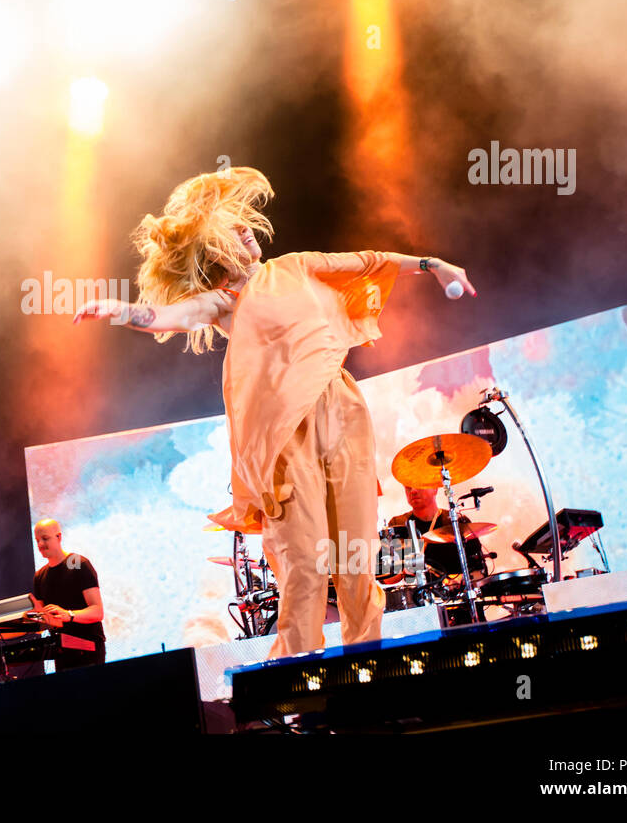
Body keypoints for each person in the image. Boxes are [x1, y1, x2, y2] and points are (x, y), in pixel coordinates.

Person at [73, 167, 475, 658]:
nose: (246, 230)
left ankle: (367, 671)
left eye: (247, 225)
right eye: (232, 229)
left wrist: (436, 265)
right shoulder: (222, 302)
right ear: (218, 250)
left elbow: (373, 260)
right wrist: (117, 309)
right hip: (283, 437)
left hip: (339, 408)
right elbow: (166, 317)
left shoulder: (298, 266)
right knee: (303, 564)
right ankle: (300, 678)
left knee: (356, 561)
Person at [30, 518, 106, 670]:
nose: (40, 545)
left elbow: (97, 611)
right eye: (37, 540)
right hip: (62, 651)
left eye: (45, 539)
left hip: (88, 650)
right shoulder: (40, 576)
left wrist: (69, 615)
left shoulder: (76, 562)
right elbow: (41, 622)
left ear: (59, 537)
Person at [388, 485, 487, 582]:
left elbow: (479, 570)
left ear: (435, 489)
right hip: (418, 594)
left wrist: (463, 583)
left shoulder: (458, 521)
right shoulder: (396, 524)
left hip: (459, 593)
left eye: (419, 485)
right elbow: (386, 577)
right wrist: (404, 571)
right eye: (408, 487)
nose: (413, 491)